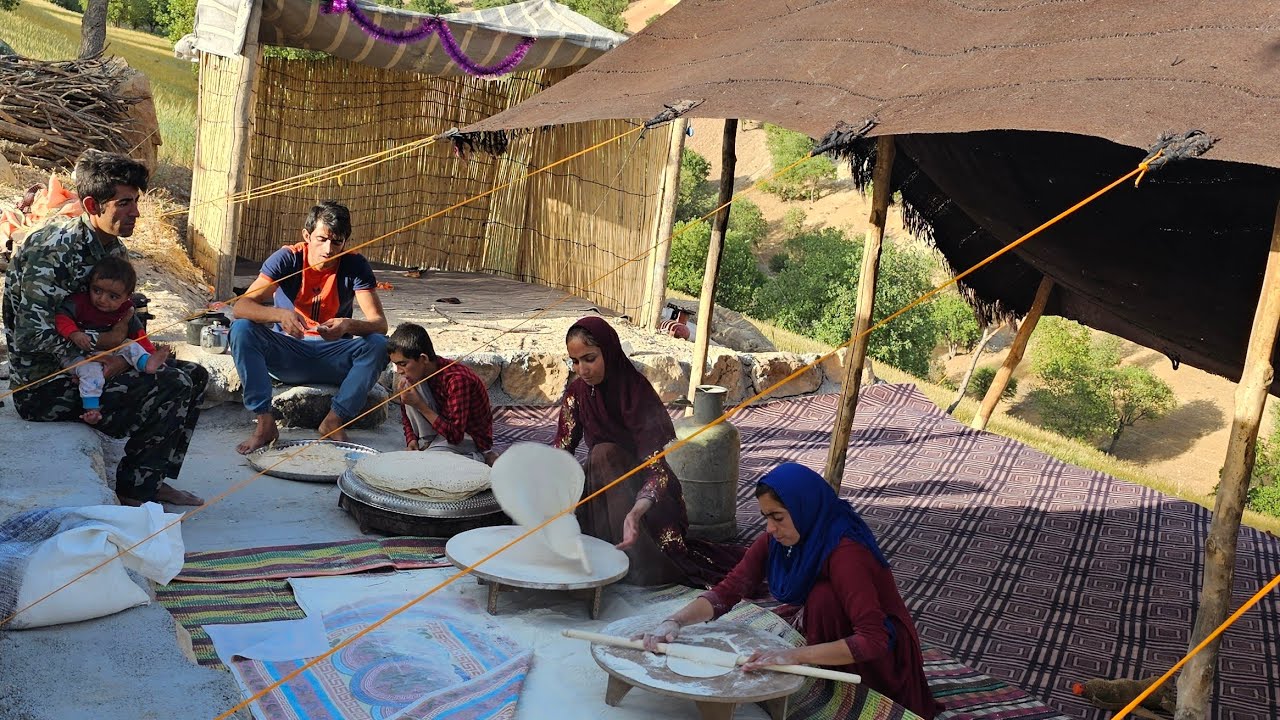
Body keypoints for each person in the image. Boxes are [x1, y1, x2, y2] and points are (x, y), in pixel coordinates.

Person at [639, 463, 942, 719]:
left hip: (884, 657)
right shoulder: (780, 537)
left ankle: (856, 694)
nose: (770, 528)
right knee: (820, 599)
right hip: (838, 634)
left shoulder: (847, 553)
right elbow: (729, 590)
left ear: (804, 508)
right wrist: (674, 622)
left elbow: (874, 639)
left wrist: (792, 656)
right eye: (766, 517)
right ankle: (826, 675)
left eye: (778, 517)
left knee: (823, 599)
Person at [2, 150, 208, 506]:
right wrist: (103, 347)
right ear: (92, 205)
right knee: (172, 385)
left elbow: (126, 319)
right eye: (124, 203)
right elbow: (29, 335)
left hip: (97, 365)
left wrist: (130, 355)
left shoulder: (113, 250)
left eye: (136, 202)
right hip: (47, 384)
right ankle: (134, 494)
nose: (136, 212)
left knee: (195, 375)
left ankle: (150, 477)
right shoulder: (54, 251)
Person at [553, 316, 740, 587]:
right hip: (602, 489)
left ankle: (636, 559)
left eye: (590, 358)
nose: (582, 369)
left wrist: (634, 513)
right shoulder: (577, 393)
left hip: (645, 498)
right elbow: (561, 452)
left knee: (604, 453)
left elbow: (658, 473)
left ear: (610, 351)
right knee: (596, 461)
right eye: (575, 361)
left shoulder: (635, 391)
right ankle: (608, 550)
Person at [229, 201, 389, 454]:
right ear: (306, 235)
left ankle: (334, 421)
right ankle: (265, 423)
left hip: (334, 355)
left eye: (337, 242)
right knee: (241, 330)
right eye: (322, 239)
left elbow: (379, 325)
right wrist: (279, 314)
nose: (328, 249)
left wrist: (348, 324)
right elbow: (241, 307)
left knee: (379, 345)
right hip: (290, 355)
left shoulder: (355, 264)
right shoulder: (287, 258)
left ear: (345, 242)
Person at [54, 255, 171, 425]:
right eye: (97, 291)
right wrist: (74, 334)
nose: (102, 299)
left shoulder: (126, 310)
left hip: (109, 351)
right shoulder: (79, 303)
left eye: (113, 297)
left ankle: (148, 363)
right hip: (78, 354)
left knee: (131, 346)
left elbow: (138, 334)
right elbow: (61, 318)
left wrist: (151, 351)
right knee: (90, 371)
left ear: (127, 297)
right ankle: (91, 409)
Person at [386, 322, 496, 465]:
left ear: (423, 359)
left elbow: (456, 436)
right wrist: (411, 439)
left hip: (468, 438)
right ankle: (429, 445)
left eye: (403, 364)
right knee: (409, 387)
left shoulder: (457, 380)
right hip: (440, 431)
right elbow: (406, 411)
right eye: (396, 365)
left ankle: (479, 457)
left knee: (428, 464)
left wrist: (420, 405)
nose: (399, 370)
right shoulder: (417, 373)